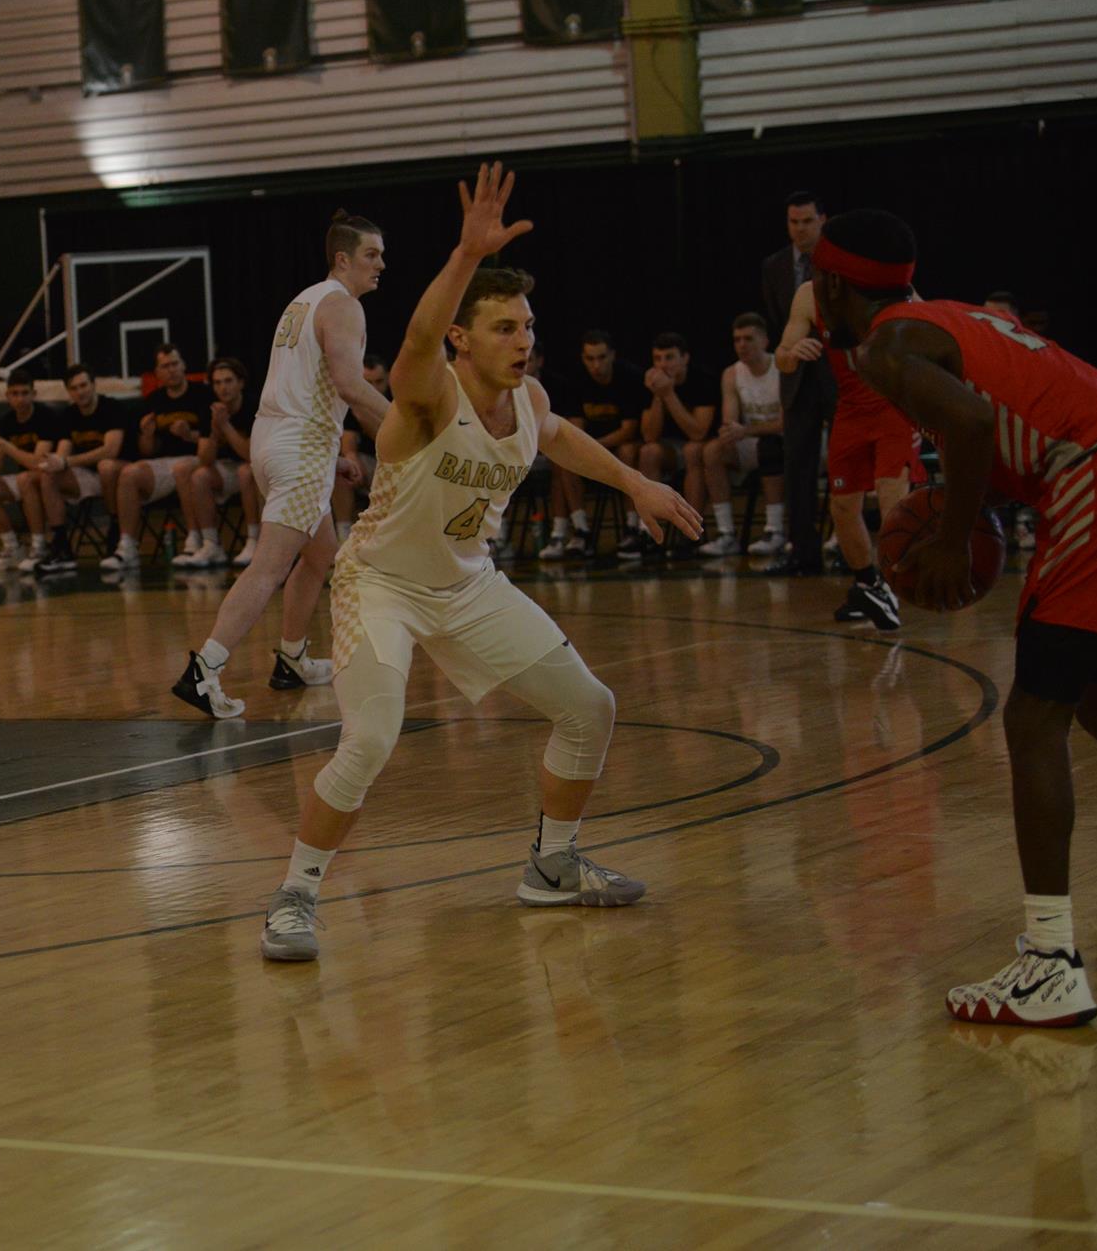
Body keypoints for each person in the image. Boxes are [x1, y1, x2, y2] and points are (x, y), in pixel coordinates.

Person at [258, 162, 702, 961]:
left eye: (528, 326)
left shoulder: (528, 400)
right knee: (371, 739)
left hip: (468, 583)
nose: (524, 339)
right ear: (464, 337)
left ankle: (553, 864)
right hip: (382, 584)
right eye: (504, 327)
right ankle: (295, 894)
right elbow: (417, 339)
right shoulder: (429, 393)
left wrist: (636, 481)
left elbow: (559, 437)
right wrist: (463, 256)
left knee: (589, 707)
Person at [809, 208, 1097, 1025]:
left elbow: (966, 421)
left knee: (1035, 717)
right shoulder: (954, 316)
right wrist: (975, 507)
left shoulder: (886, 346)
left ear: (826, 283)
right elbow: (1005, 417)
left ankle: (1049, 959)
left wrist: (955, 537)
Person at [170, 214, 392, 716]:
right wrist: (410, 426)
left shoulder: (303, 299)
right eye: (371, 255)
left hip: (273, 440)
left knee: (320, 554)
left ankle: (291, 658)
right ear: (342, 258)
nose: (381, 264)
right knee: (269, 566)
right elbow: (350, 387)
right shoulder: (344, 307)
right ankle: (204, 671)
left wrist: (331, 454)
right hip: (299, 446)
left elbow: (305, 386)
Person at [779, 279, 921, 630]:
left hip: (893, 403)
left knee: (892, 499)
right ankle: (867, 583)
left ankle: (891, 588)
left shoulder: (889, 281)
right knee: (842, 506)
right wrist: (793, 355)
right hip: (851, 409)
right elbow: (782, 358)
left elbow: (931, 327)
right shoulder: (809, 294)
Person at [760, 191, 836, 577]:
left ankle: (844, 544)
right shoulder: (774, 265)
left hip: (838, 375)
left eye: (807, 221)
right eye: (793, 221)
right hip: (795, 374)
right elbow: (777, 327)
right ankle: (803, 550)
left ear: (823, 219)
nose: (799, 229)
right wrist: (788, 356)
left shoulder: (840, 263)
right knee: (798, 467)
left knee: (844, 466)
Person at [100, 346, 215, 572]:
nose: (171, 370)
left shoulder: (203, 394)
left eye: (174, 364)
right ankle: (127, 546)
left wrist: (189, 435)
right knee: (128, 473)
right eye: (165, 366)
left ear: (183, 366)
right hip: (164, 462)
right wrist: (147, 434)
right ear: (157, 373)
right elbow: (148, 450)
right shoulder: (153, 400)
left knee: (183, 468)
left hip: (196, 457)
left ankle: (194, 541)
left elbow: (212, 441)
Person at [537, 330, 643, 560]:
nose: (596, 364)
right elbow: (575, 428)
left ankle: (633, 527)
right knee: (563, 459)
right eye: (590, 358)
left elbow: (629, 430)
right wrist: (586, 448)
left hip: (618, 443)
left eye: (602, 357)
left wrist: (593, 447)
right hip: (591, 443)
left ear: (613, 355)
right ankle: (581, 530)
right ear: (583, 358)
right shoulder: (575, 380)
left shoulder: (628, 377)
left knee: (629, 451)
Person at [620, 332, 720, 559]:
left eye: (669, 357)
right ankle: (650, 533)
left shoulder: (703, 380)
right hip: (670, 447)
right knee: (648, 452)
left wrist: (669, 394)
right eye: (657, 359)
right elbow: (649, 435)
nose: (662, 365)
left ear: (685, 358)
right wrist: (658, 396)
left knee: (693, 450)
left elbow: (697, 432)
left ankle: (691, 532)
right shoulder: (651, 384)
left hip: (700, 447)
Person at [19, 365, 126, 574]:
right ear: (69, 392)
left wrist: (67, 462)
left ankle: (117, 531)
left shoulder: (111, 407)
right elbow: (63, 453)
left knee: (106, 466)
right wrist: (55, 462)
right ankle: (61, 545)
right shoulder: (68, 415)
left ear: (93, 385)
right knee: (49, 476)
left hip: (120, 474)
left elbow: (111, 450)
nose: (80, 391)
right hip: (87, 476)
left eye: (84, 385)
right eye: (74, 388)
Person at [698, 313, 786, 557]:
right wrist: (729, 431)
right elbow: (730, 421)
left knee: (770, 446)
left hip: (786, 444)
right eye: (737, 340)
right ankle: (727, 533)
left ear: (765, 341)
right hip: (753, 440)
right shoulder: (732, 374)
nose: (742, 345)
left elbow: (785, 424)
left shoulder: (781, 367)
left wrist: (744, 430)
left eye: (748, 339)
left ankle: (775, 529)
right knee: (712, 451)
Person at [0, 371, 60, 572]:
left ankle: (39, 547)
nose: (20, 399)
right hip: (24, 480)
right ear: (7, 396)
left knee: (26, 477)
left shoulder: (46, 417)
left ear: (34, 394)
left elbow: (37, 463)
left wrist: (1, 441)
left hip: (50, 479)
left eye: (25, 393)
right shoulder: (7, 422)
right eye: (15, 393)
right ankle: (13, 548)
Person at [174, 357, 256, 568]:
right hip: (228, 468)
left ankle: (254, 540)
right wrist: (214, 429)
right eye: (217, 383)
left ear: (241, 383)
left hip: (257, 468)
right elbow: (205, 459)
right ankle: (211, 544)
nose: (223, 388)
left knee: (247, 471)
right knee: (199, 476)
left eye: (228, 381)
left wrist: (226, 426)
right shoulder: (210, 410)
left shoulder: (253, 406)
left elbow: (250, 454)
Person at [333, 354, 393, 544]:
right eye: (368, 383)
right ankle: (343, 535)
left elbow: (392, 443)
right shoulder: (350, 402)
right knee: (341, 471)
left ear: (389, 378)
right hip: (368, 462)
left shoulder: (399, 400)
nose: (374, 389)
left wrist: (364, 415)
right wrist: (351, 459)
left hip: (395, 462)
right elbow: (348, 440)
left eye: (379, 382)